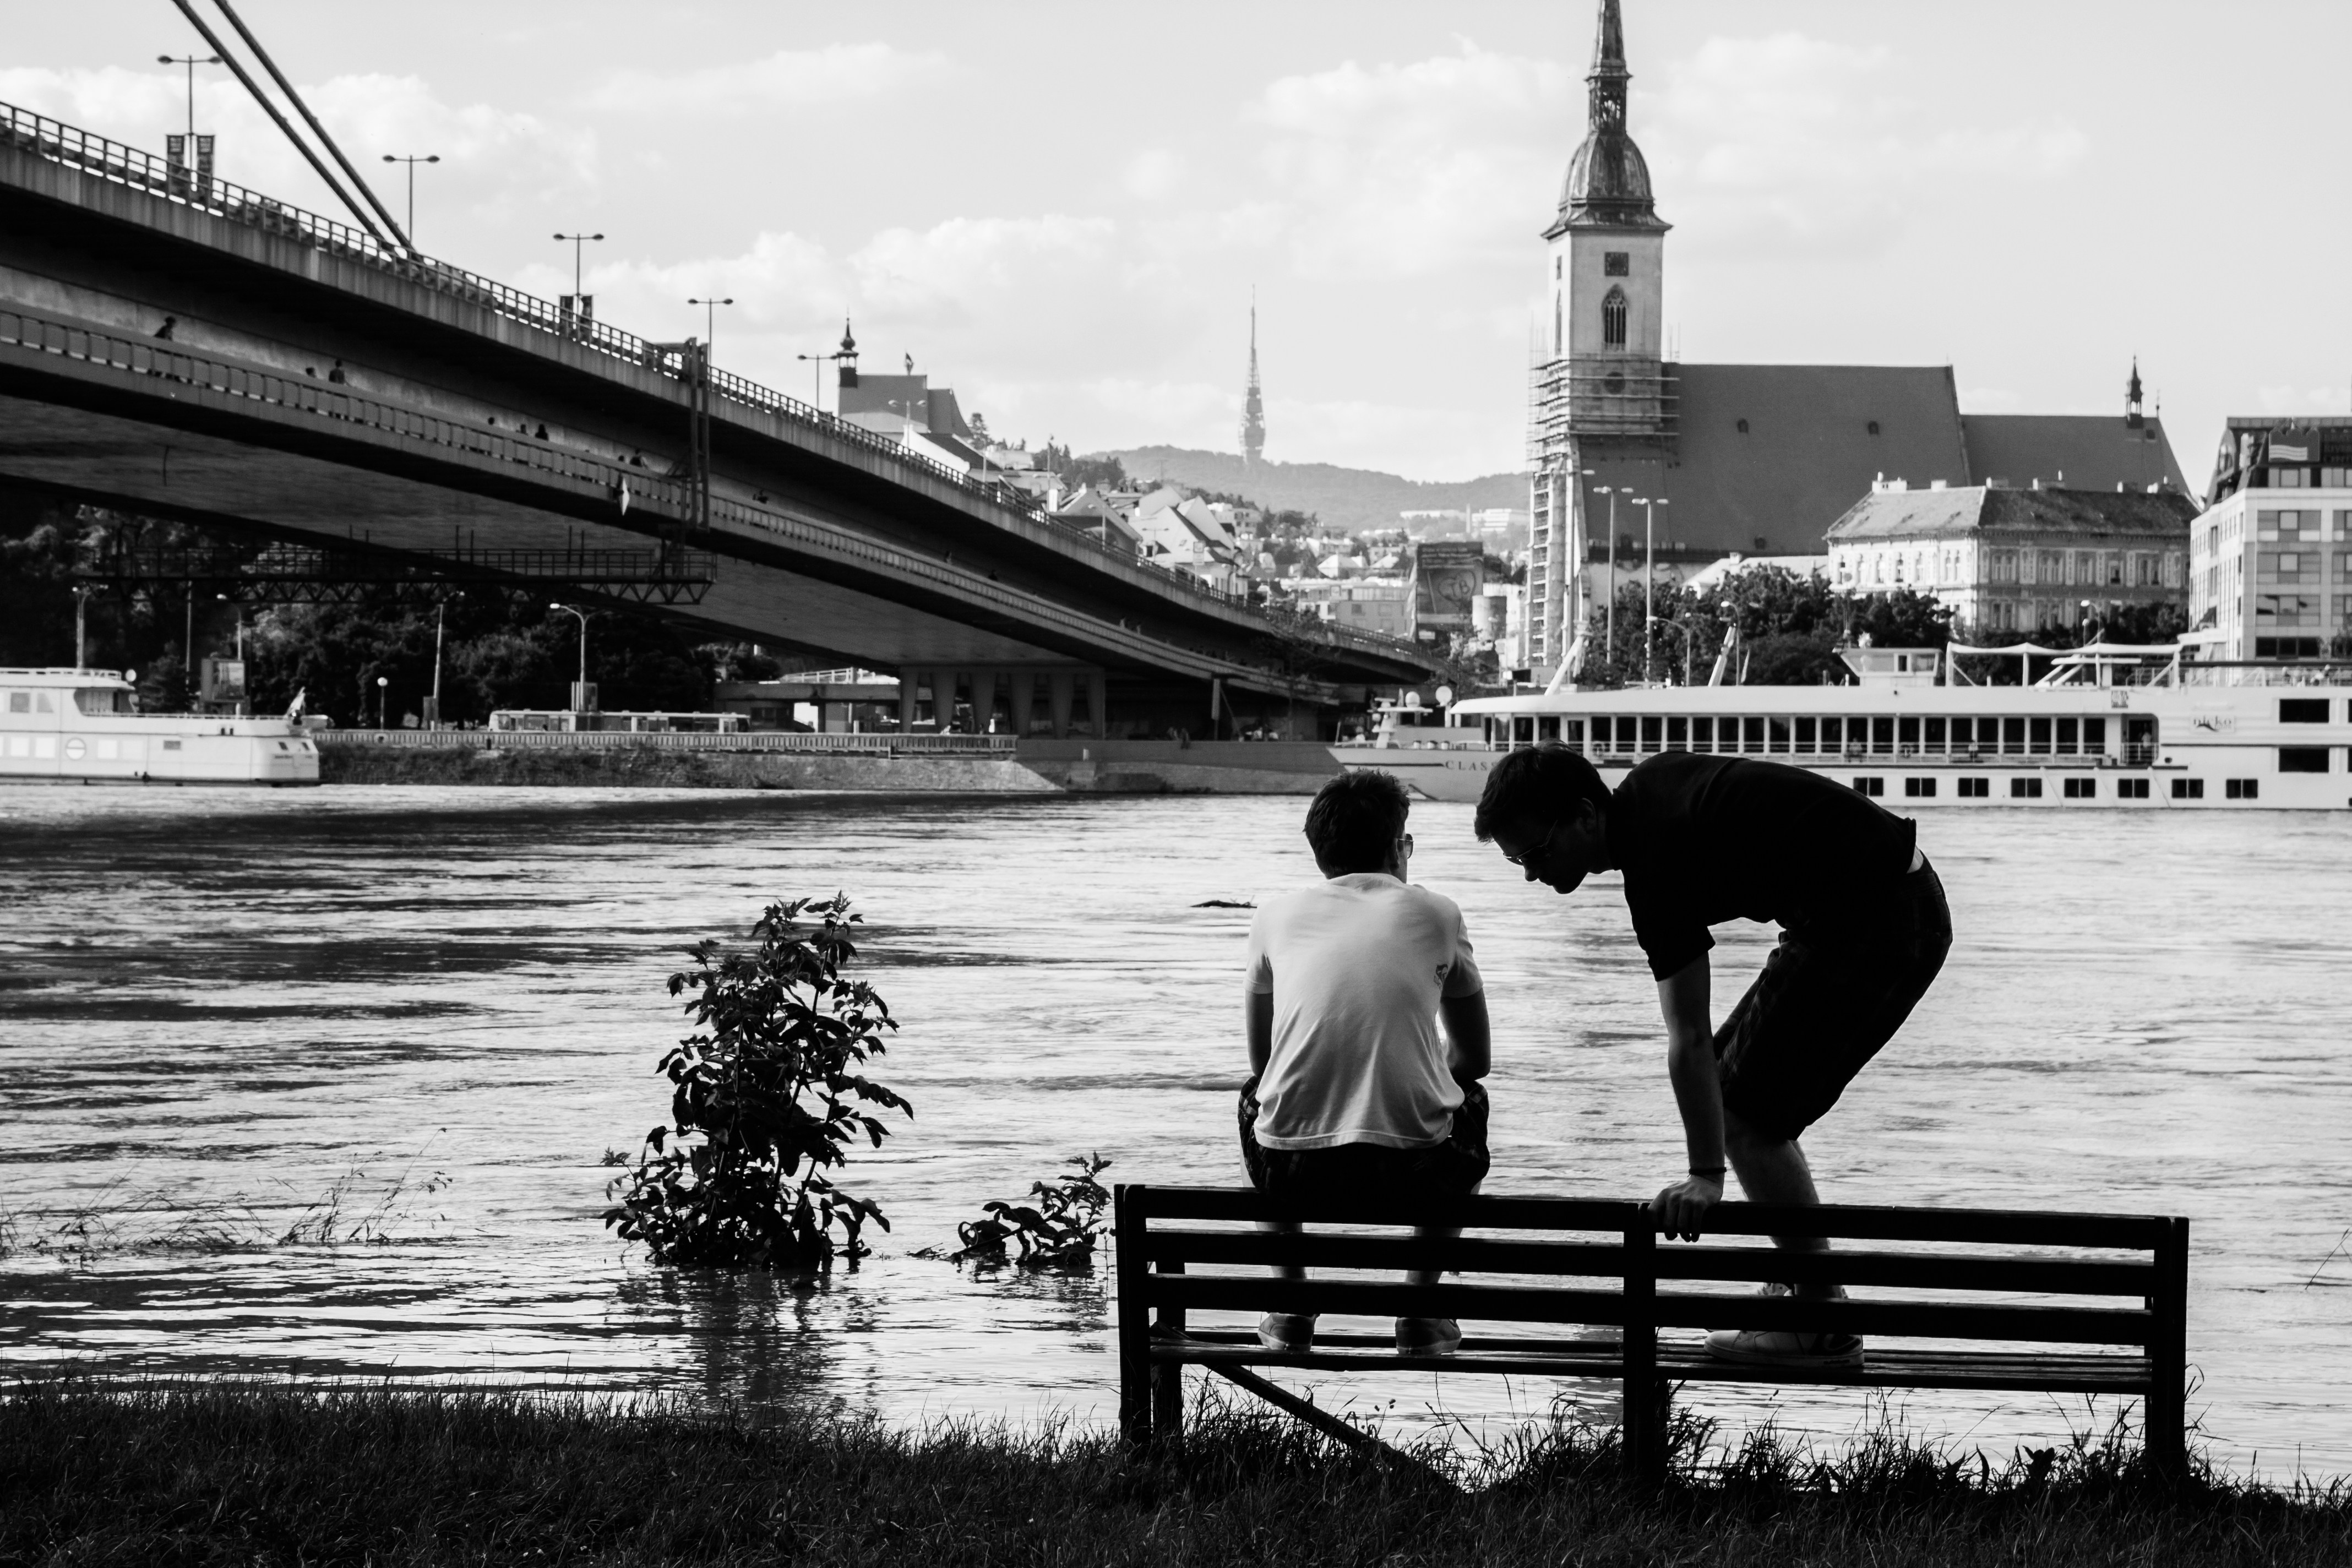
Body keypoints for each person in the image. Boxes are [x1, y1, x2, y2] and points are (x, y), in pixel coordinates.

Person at [1474, 744, 1950, 1367]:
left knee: (1743, 1112)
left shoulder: (1654, 863)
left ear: (1586, 816)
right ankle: (1811, 1289)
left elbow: (1687, 1037)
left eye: (1535, 854)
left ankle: (1821, 1324)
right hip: (1865, 904)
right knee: (1737, 1091)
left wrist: (1706, 1175)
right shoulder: (1652, 788)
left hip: (1882, 916)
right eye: (1518, 862)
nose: (1533, 874)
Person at [1239, 770, 1492, 1356]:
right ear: (1394, 846)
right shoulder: (1438, 913)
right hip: (1415, 1175)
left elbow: (1262, 1063)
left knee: (1256, 1098)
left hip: (1295, 1174)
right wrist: (1417, 1079)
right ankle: (1419, 1311)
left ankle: (1291, 1301)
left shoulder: (1272, 916)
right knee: (1470, 1102)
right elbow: (1475, 1060)